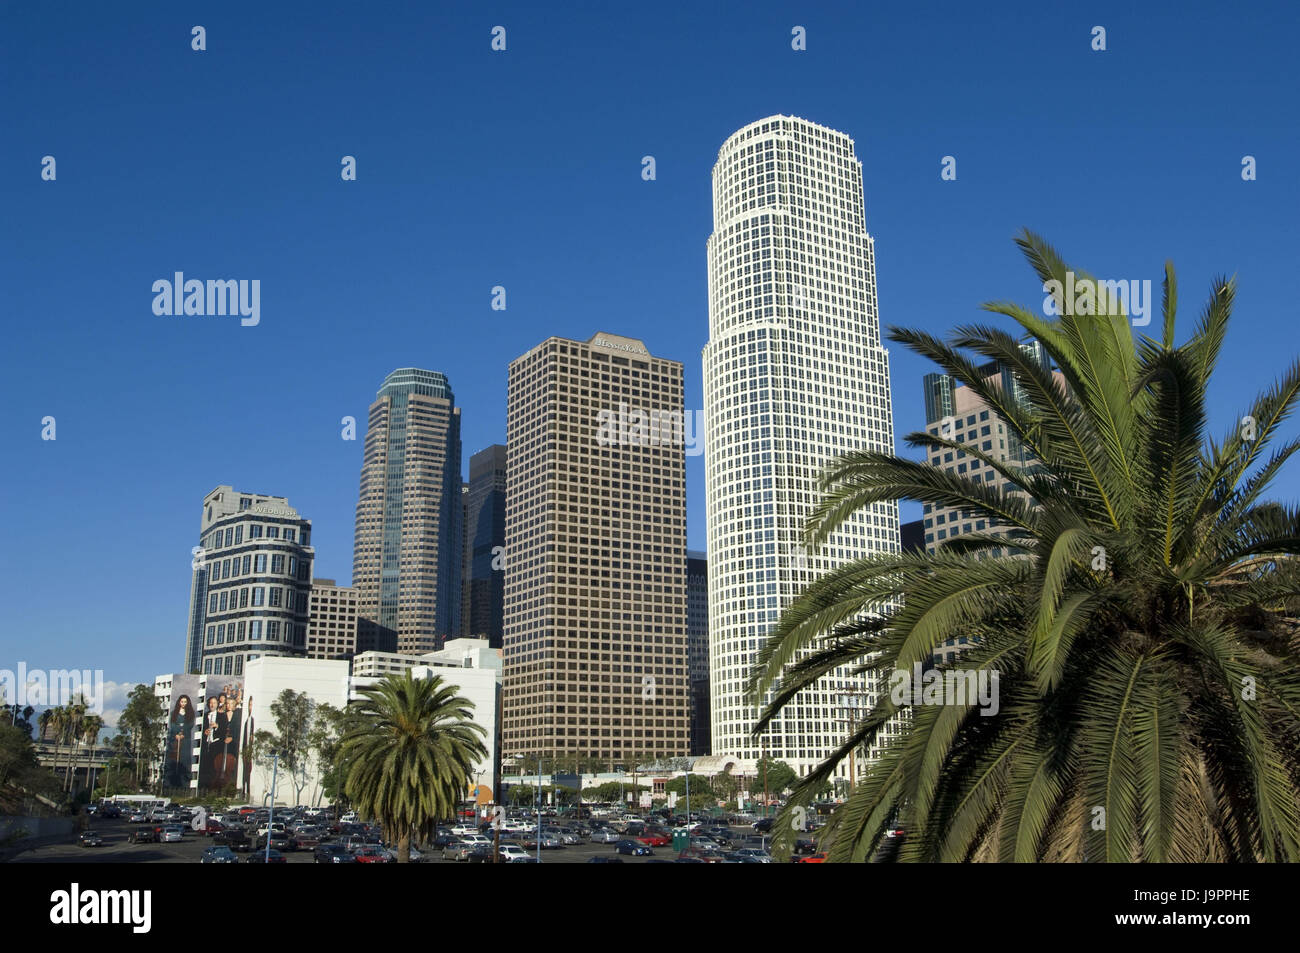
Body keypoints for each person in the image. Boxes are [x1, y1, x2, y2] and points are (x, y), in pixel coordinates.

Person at [165, 695, 194, 787]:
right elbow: (172, 725)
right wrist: (177, 733)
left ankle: (185, 781)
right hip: (175, 739)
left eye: (185, 702)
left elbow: (190, 725)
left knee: (184, 758)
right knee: (174, 758)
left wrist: (183, 732)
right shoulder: (174, 713)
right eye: (182, 702)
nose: (183, 704)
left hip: (186, 739)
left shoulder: (190, 713)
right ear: (179, 702)